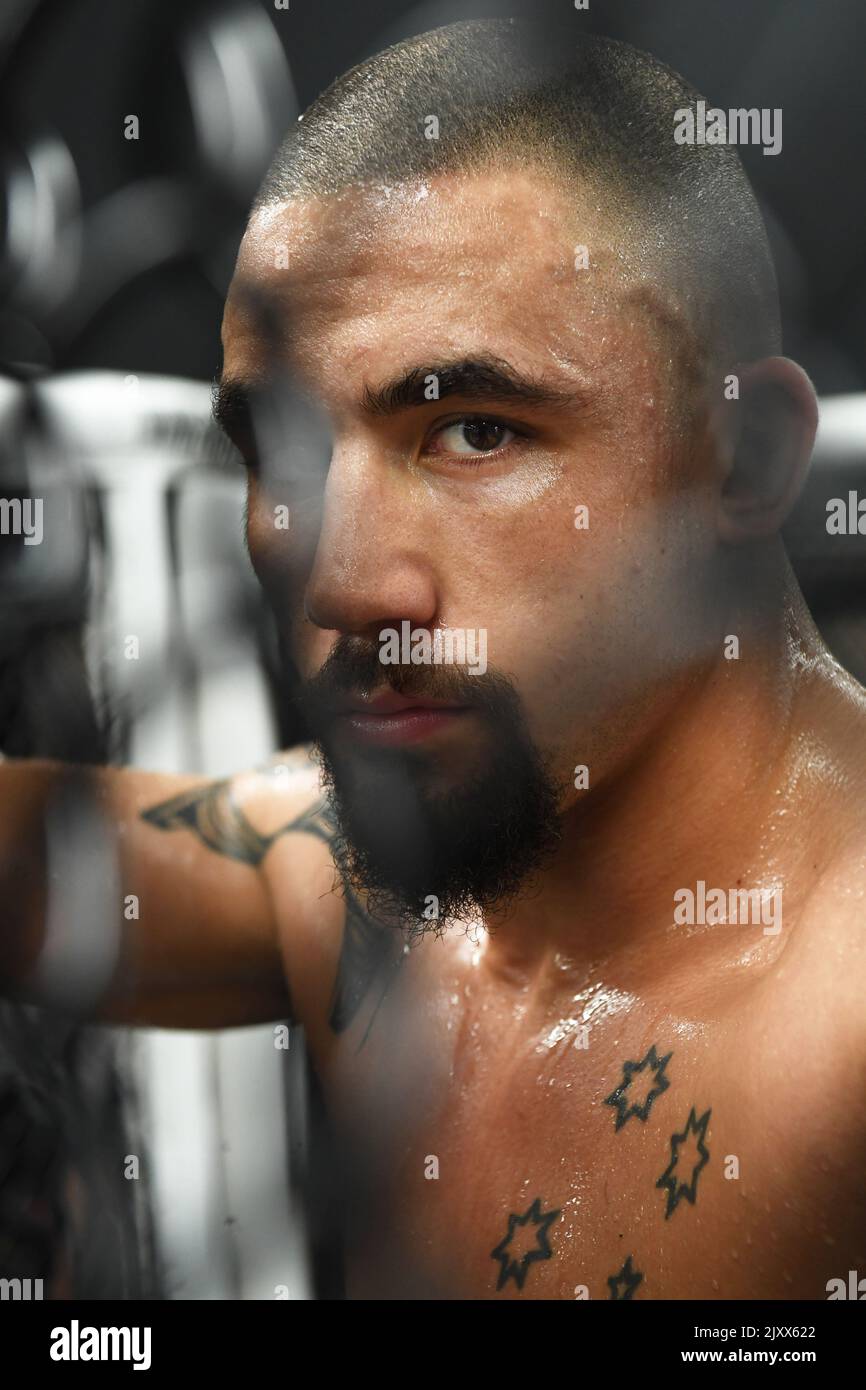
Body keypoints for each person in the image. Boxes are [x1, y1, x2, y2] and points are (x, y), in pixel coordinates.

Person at [2, 17, 865, 1299]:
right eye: (282, 456)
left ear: (737, 457)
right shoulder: (348, 878)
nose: (341, 584)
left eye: (472, 430)